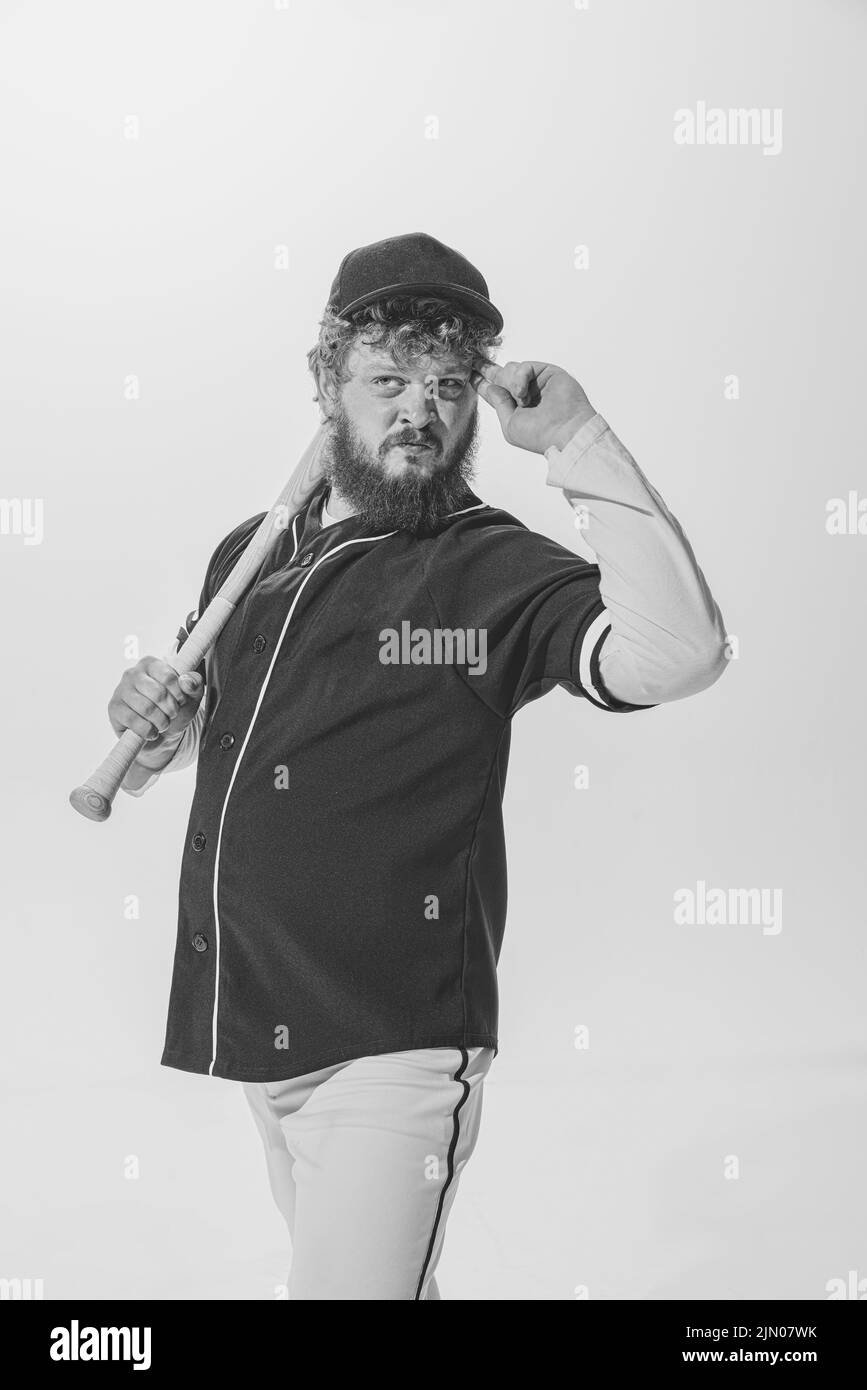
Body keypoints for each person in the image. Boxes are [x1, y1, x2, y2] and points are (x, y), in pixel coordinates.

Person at [107, 232, 728, 1299]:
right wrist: (163, 734)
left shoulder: (490, 566)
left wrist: (577, 437)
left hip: (389, 1050)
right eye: (387, 379)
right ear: (326, 384)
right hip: (259, 1027)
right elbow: (238, 738)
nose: (420, 411)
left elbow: (681, 654)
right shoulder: (252, 555)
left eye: (447, 385)